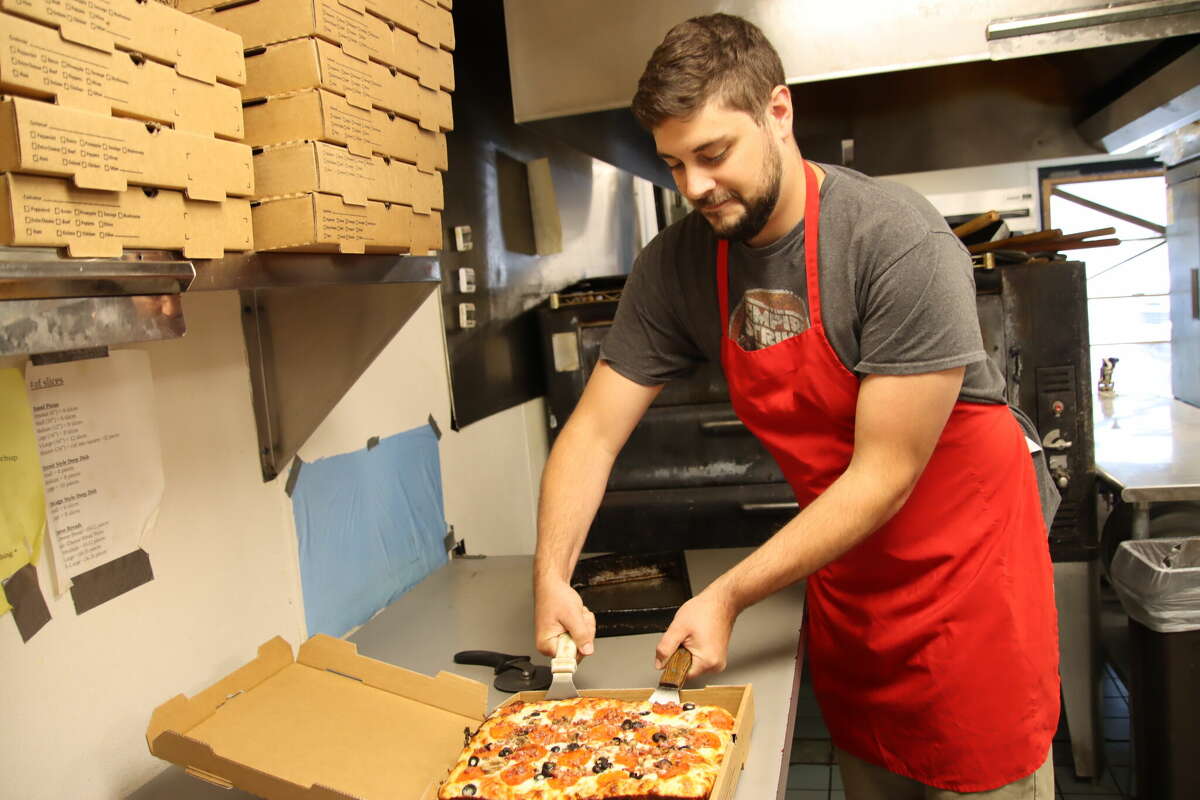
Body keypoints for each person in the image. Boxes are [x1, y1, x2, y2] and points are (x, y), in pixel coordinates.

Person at [532, 13, 1060, 799]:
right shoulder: (676, 265)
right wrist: (550, 576)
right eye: (673, 164)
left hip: (966, 581)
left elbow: (887, 471)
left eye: (713, 155)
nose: (694, 188)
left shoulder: (893, 239)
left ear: (779, 113)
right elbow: (593, 433)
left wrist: (730, 593)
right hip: (846, 576)